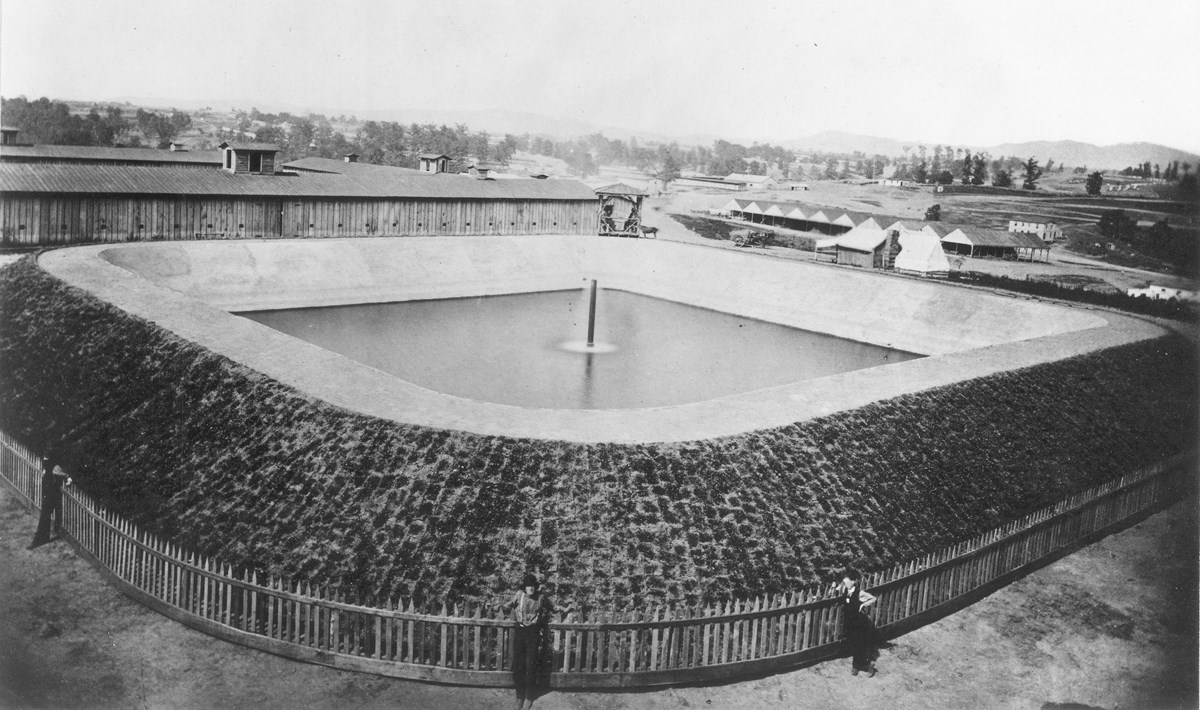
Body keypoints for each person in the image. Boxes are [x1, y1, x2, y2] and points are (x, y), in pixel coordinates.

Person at [511, 572, 547, 709]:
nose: (530, 589)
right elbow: (508, 605)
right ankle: (519, 696)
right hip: (520, 632)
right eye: (528, 586)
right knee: (518, 665)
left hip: (533, 633)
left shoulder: (540, 597)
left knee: (530, 665)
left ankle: (529, 697)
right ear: (524, 587)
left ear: (535, 587)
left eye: (532, 586)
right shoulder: (519, 596)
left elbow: (551, 608)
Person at [838, 569, 879, 677]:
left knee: (859, 644)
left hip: (859, 623)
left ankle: (863, 666)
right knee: (853, 643)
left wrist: (863, 605)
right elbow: (838, 587)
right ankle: (858, 665)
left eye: (847, 582)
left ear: (853, 581)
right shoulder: (845, 590)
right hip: (850, 622)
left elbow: (873, 598)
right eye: (844, 582)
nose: (845, 584)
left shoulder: (859, 593)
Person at [29, 457, 72, 549]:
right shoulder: (49, 461)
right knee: (46, 513)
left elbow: (62, 469)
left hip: (54, 487)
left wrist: (67, 477)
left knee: (49, 513)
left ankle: (41, 538)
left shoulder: (56, 462)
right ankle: (42, 537)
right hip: (48, 486)